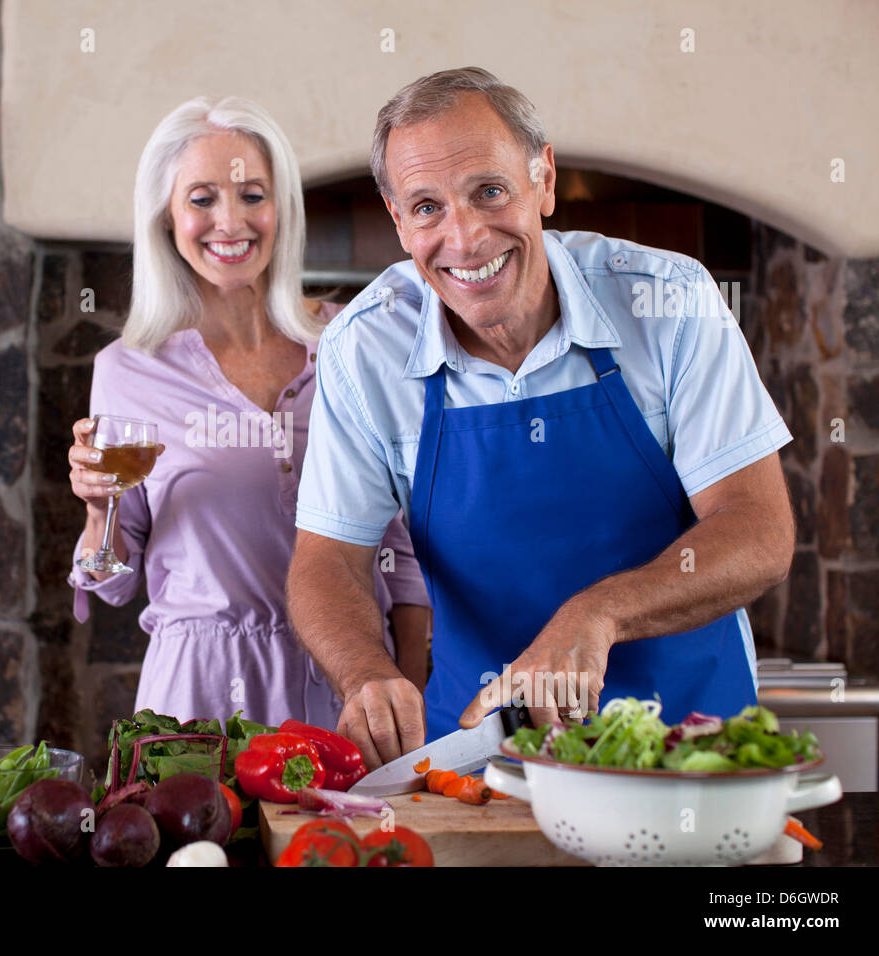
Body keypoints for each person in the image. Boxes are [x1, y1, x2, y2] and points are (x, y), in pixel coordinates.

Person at [288, 67, 795, 768]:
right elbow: (328, 559)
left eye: (489, 192)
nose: (464, 239)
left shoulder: (671, 303)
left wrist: (598, 614)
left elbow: (759, 531)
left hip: (687, 749)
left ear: (544, 180)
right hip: (481, 756)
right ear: (398, 219)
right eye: (428, 207)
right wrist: (365, 672)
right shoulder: (365, 345)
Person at [67, 95, 431, 730]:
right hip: (198, 698)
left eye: (252, 195)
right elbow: (113, 580)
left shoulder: (349, 343)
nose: (230, 221)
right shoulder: (129, 370)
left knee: (346, 836)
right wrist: (101, 508)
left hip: (347, 679)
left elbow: (401, 544)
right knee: (205, 835)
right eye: (202, 198)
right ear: (167, 217)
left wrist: (409, 687)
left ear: (282, 208)